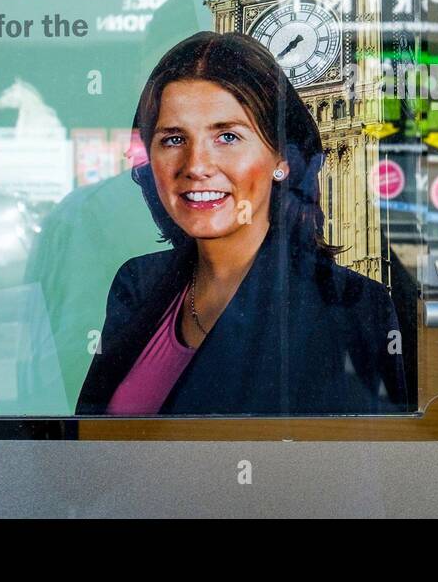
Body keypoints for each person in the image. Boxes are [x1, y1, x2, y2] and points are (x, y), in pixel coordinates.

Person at [76, 31, 408, 416]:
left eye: (228, 136)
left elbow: (362, 467)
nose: (197, 166)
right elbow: (85, 447)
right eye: (172, 139)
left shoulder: (350, 308)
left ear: (282, 158)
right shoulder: (137, 285)